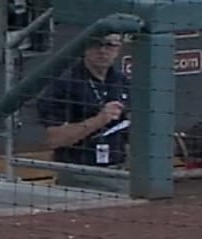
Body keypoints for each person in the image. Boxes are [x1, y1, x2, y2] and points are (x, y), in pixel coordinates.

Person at [35, 32, 131, 168]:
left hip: (118, 165)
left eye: (110, 45)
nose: (102, 50)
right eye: (96, 44)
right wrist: (99, 120)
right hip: (78, 168)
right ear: (84, 47)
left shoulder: (121, 81)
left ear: (118, 48)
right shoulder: (65, 83)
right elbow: (53, 139)